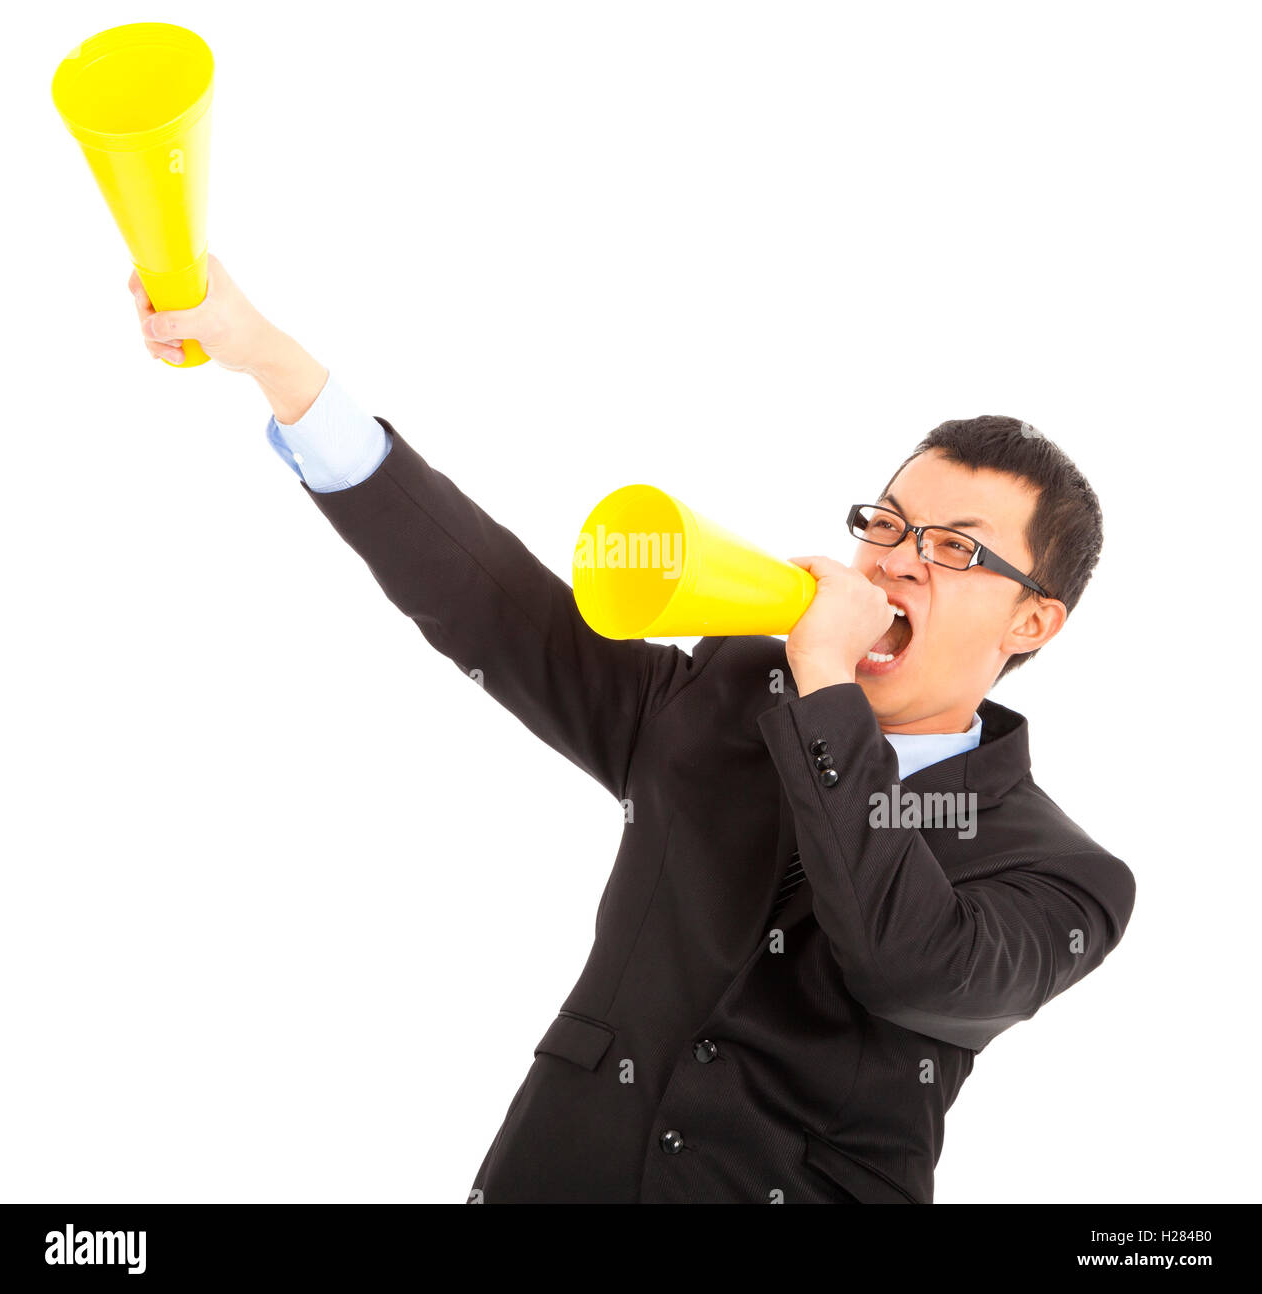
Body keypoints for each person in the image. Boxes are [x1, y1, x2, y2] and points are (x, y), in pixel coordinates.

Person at [132, 255, 1136, 1204]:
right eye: (885, 524)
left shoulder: (1065, 876)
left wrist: (825, 674)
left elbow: (910, 961)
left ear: (1033, 618)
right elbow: (494, 608)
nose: (895, 563)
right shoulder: (722, 697)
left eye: (955, 548)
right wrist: (270, 357)